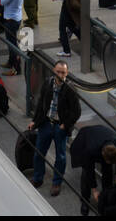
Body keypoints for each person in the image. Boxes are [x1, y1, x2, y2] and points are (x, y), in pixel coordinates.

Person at [27, 60, 80, 196]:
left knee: (60, 157)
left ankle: (56, 183)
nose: (60, 75)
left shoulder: (70, 89)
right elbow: (41, 103)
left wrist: (65, 125)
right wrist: (35, 121)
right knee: (39, 152)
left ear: (67, 74)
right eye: (58, 72)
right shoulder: (48, 83)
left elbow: (76, 111)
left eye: (63, 72)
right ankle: (38, 179)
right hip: (46, 123)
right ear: (53, 71)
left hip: (59, 127)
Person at [70, 126, 116, 217]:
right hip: (85, 138)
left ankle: (105, 200)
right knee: (86, 174)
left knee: (108, 171)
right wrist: (94, 189)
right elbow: (89, 170)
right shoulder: (91, 150)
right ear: (102, 154)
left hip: (102, 137)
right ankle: (85, 200)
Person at [0, 0, 26, 75]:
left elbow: (2, 1)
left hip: (11, 20)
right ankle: (11, 62)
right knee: (12, 42)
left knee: (12, 44)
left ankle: (16, 69)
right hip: (17, 17)